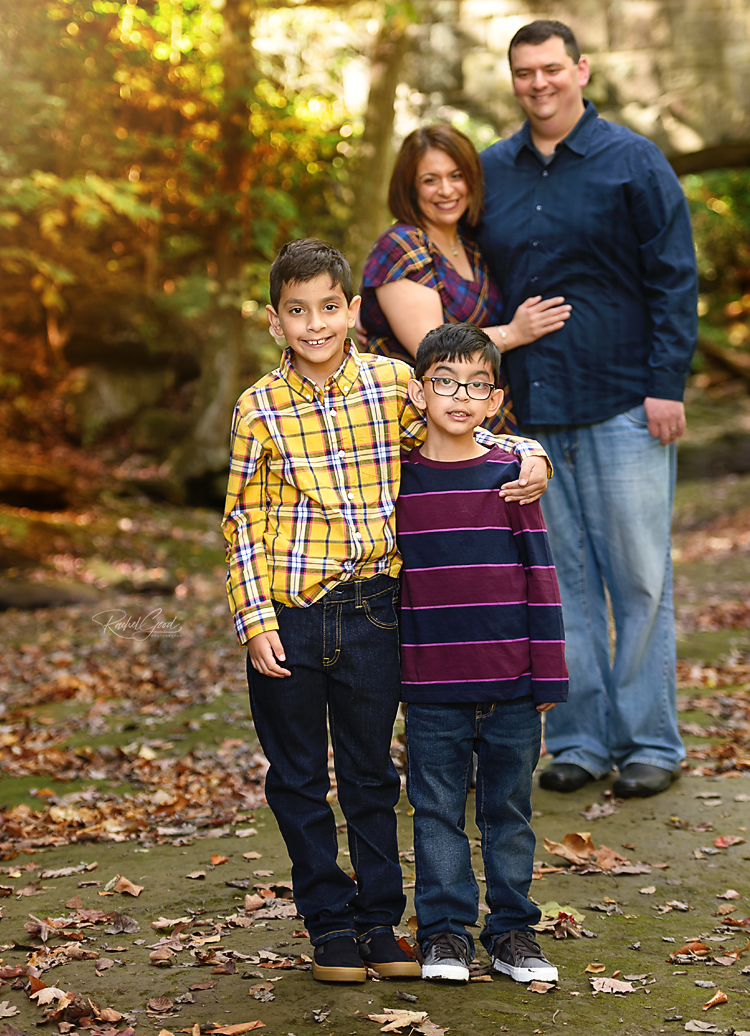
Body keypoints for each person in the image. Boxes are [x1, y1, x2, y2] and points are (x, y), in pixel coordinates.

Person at [221, 238, 552, 984]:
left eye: (329, 308)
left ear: (353, 310)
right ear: (275, 322)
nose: (316, 325)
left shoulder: (391, 383)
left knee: (371, 774)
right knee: (299, 775)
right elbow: (241, 519)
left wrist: (530, 452)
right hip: (290, 610)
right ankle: (329, 924)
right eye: (298, 312)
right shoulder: (257, 409)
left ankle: (378, 921)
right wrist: (254, 619)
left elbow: (456, 431)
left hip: (375, 611)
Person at [477, 20, 698, 800]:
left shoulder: (633, 161)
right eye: (523, 73)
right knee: (559, 582)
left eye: (551, 69)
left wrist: (666, 384)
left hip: (621, 404)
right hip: (531, 412)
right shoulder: (490, 171)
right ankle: (576, 739)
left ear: (582, 70)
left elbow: (674, 276)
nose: (538, 84)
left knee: (638, 579)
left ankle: (649, 742)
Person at [397, 322, 568, 985]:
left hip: (513, 685)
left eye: (476, 384)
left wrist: (548, 672)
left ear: (495, 400)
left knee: (509, 812)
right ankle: (443, 934)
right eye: (445, 381)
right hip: (433, 685)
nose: (460, 395)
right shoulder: (400, 481)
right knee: (437, 812)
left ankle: (513, 932)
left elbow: (540, 576)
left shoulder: (511, 478)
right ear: (419, 392)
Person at [361, 123, 571, 434]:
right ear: (410, 187)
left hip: (484, 427)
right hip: (421, 433)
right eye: (430, 180)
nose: (446, 190)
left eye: (456, 176)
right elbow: (430, 350)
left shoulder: (471, 243)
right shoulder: (403, 245)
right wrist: (513, 333)